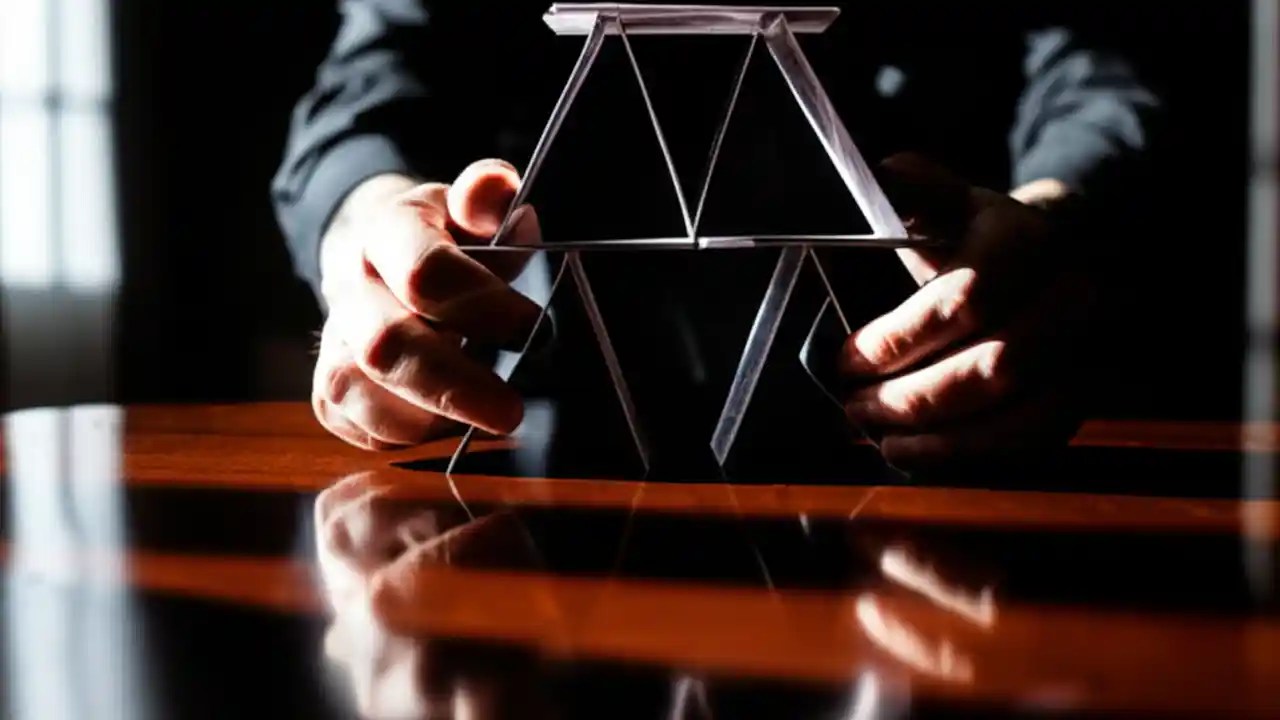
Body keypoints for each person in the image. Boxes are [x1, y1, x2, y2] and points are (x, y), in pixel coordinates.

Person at [272, 1, 1157, 474]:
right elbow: (364, 103)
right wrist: (379, 232)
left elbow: (1098, 77)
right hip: (556, 440)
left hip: (893, 417)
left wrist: (1046, 215)